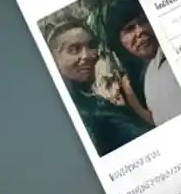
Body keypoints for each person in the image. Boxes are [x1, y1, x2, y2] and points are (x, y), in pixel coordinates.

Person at [45, 18, 153, 156]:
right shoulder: (97, 113)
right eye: (73, 49)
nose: (87, 55)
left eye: (91, 46)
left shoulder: (96, 103)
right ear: (54, 59)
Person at [105, 0, 181, 126]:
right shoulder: (147, 75)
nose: (140, 31)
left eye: (143, 21)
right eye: (130, 29)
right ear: (120, 42)